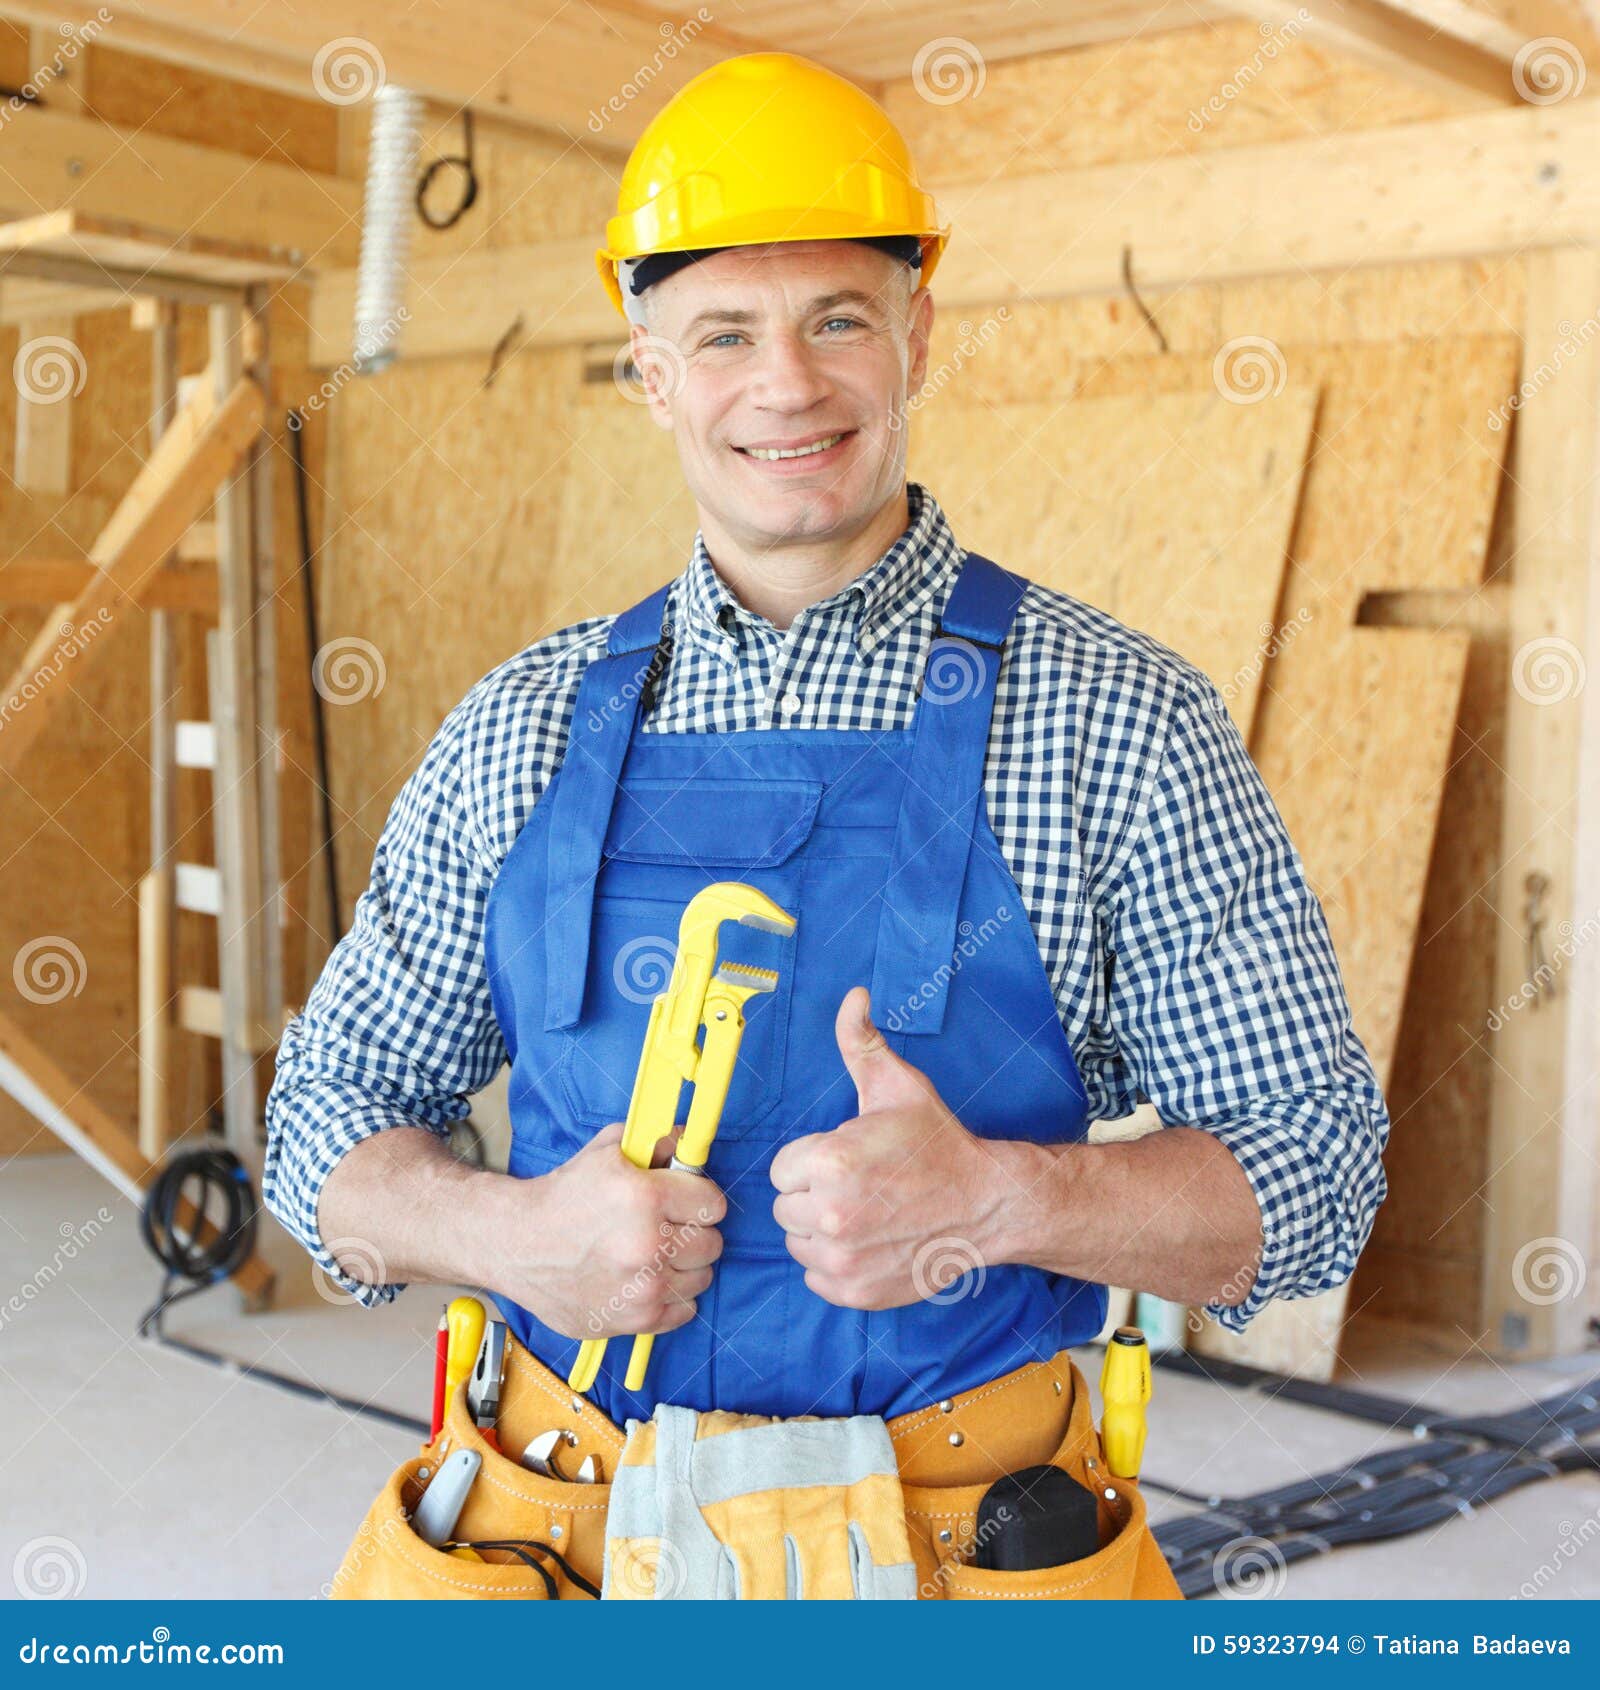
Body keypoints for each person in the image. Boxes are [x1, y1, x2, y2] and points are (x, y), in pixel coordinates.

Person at [264, 50, 1388, 1596]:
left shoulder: (1120, 722)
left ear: (915, 336)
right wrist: (507, 1234)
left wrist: (1003, 1198)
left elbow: (1316, 1172)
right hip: (557, 1530)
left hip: (964, 1544)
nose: (786, 385)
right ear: (652, 373)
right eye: (724, 333)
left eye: (838, 319)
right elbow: (324, 1114)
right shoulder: (517, 728)